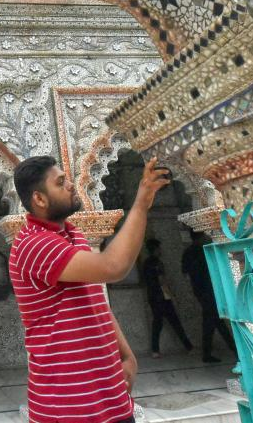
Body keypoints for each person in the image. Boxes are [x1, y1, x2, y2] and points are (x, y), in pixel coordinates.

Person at [9, 154, 171, 423]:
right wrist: (140, 204)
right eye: (61, 183)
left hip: (112, 400)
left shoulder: (73, 236)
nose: (71, 185)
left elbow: (95, 303)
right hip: (66, 408)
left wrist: (127, 356)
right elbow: (112, 266)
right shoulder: (32, 244)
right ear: (39, 199)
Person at [181, 229, 235, 363]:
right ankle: (235, 351)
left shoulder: (187, 252)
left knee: (212, 321)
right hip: (210, 289)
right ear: (200, 237)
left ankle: (212, 352)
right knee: (215, 320)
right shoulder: (205, 250)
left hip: (199, 291)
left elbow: (185, 273)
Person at [141, 239, 193, 358]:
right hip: (162, 297)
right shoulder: (158, 263)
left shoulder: (145, 263)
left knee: (157, 323)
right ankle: (188, 346)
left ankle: (155, 350)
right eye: (159, 249)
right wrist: (171, 296)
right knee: (175, 322)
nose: (161, 251)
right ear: (155, 249)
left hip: (152, 296)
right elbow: (162, 281)